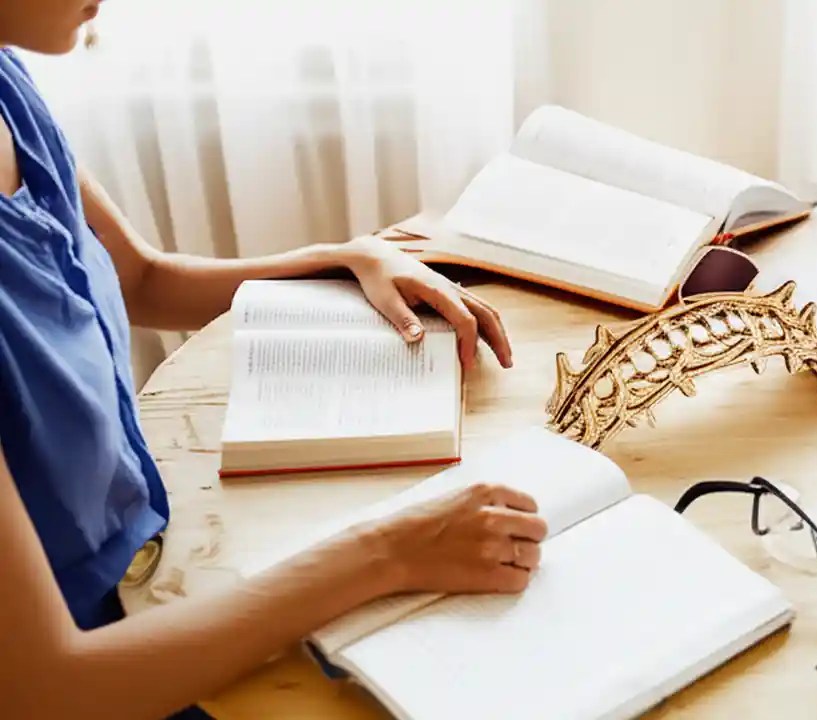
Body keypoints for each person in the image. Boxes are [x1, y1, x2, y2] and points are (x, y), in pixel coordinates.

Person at [0, 2, 549, 719]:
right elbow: (51, 687)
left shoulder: (11, 88)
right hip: (112, 670)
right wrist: (391, 550)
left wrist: (341, 260)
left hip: (162, 573)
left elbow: (138, 276)